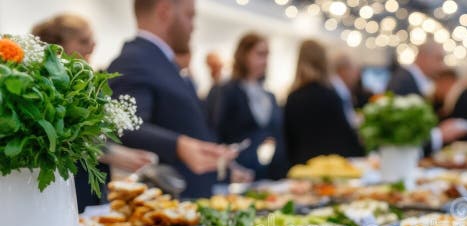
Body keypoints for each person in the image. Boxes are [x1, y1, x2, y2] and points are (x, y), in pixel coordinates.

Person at [107, 0, 237, 198]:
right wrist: (179, 146)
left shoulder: (160, 61)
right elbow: (124, 124)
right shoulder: (135, 59)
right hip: (168, 203)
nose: (193, 26)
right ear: (165, 11)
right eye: (189, 15)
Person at [31, 13, 156, 211]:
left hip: (88, 180)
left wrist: (118, 153)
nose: (92, 46)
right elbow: (60, 135)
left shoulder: (82, 82)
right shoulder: (41, 86)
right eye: (83, 41)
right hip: (67, 182)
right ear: (57, 45)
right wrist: (112, 154)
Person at [211, 32, 287, 181]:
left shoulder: (269, 95)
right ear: (244, 55)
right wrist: (229, 169)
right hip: (238, 174)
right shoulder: (227, 91)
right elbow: (216, 134)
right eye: (260, 54)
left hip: (267, 176)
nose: (265, 61)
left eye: (267, 55)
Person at [283, 40, 363, 167]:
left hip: (303, 167)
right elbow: (346, 136)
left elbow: (288, 141)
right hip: (332, 168)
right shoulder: (332, 95)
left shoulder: (293, 97)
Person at [329, 51, 360, 129]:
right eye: (354, 69)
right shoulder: (336, 91)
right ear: (343, 70)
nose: (357, 75)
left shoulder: (338, 88)